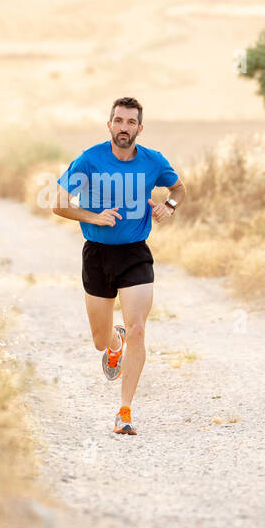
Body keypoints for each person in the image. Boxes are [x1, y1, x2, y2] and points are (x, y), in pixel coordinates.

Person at [50, 96, 185, 435]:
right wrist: (94, 216)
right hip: (97, 254)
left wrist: (169, 204)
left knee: (138, 327)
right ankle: (114, 345)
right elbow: (59, 203)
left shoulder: (153, 162)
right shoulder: (89, 160)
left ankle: (124, 412)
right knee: (99, 338)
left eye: (130, 122)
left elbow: (179, 188)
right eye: (118, 121)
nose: (124, 128)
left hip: (135, 254)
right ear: (109, 124)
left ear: (139, 128)